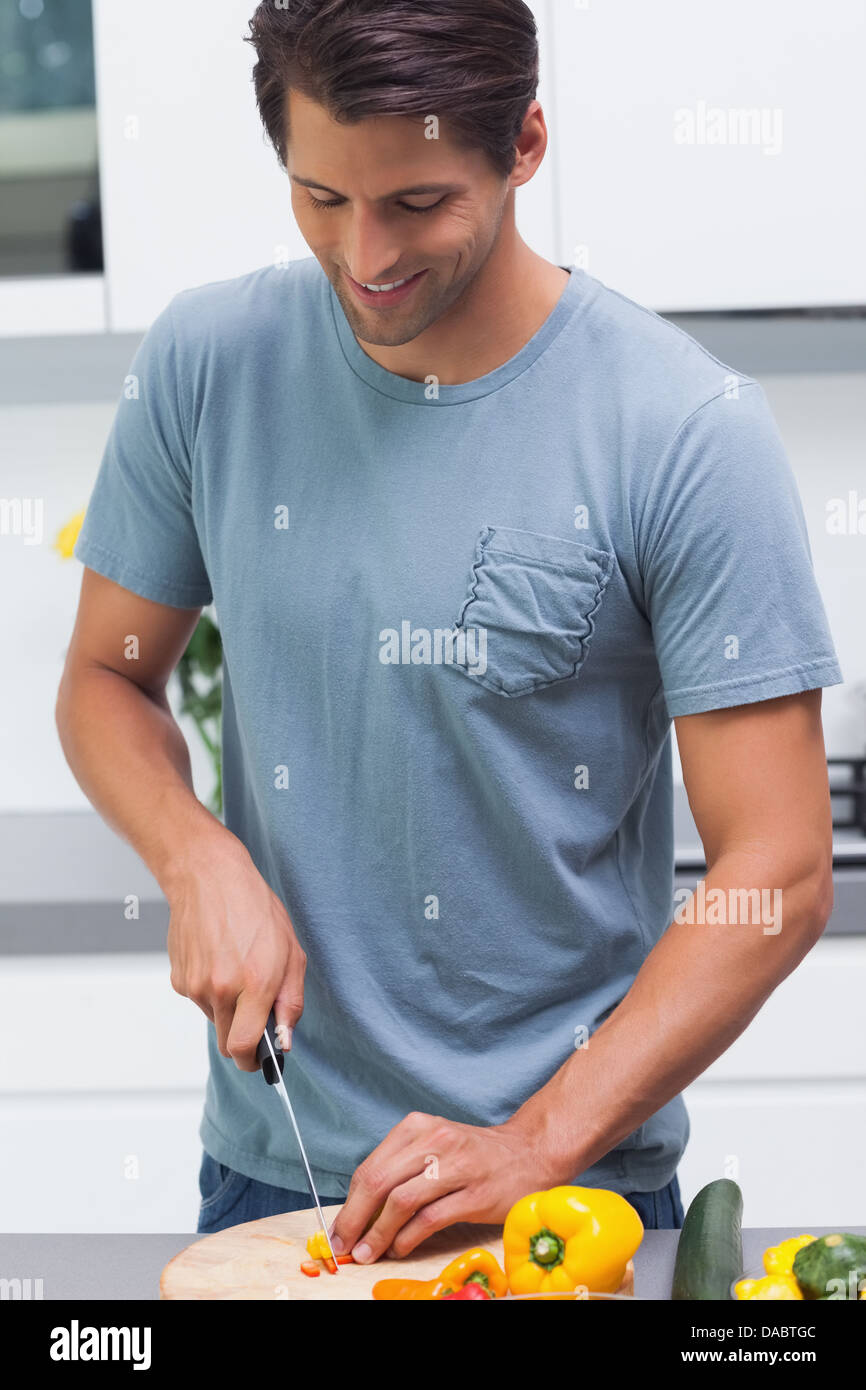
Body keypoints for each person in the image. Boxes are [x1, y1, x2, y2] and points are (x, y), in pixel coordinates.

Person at [57, 0, 841, 1263]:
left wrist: (535, 1139)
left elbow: (781, 867)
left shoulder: (682, 429)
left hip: (562, 1193)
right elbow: (105, 677)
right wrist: (194, 853)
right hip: (278, 1183)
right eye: (321, 197)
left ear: (523, 144)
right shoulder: (209, 364)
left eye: (416, 204)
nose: (363, 255)